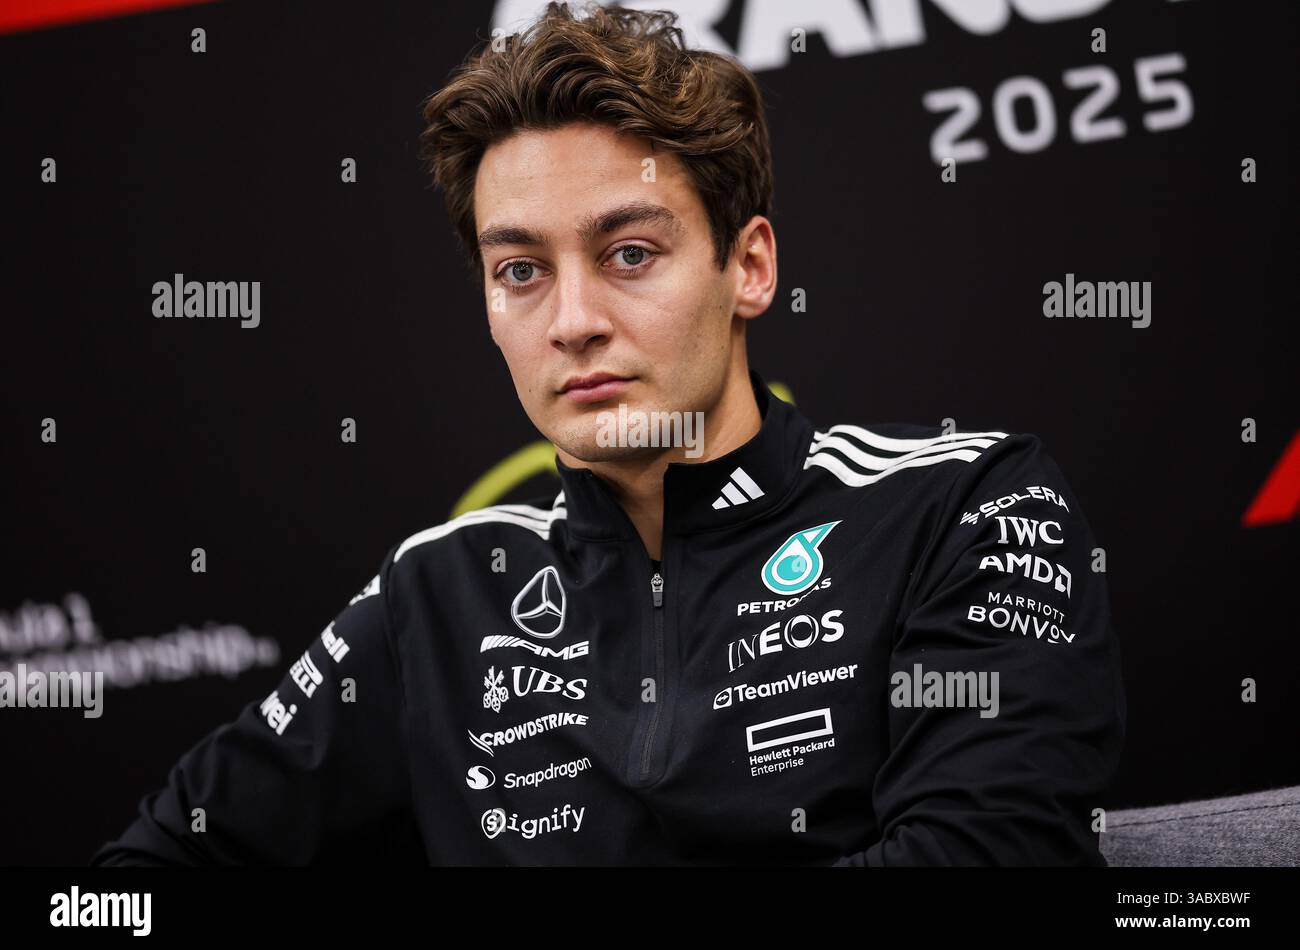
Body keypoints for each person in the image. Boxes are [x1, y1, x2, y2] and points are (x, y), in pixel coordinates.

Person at [93, 1, 1124, 866]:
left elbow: (992, 853)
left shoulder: (963, 504)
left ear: (749, 266)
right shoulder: (437, 595)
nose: (571, 318)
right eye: (520, 270)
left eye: (629, 253)